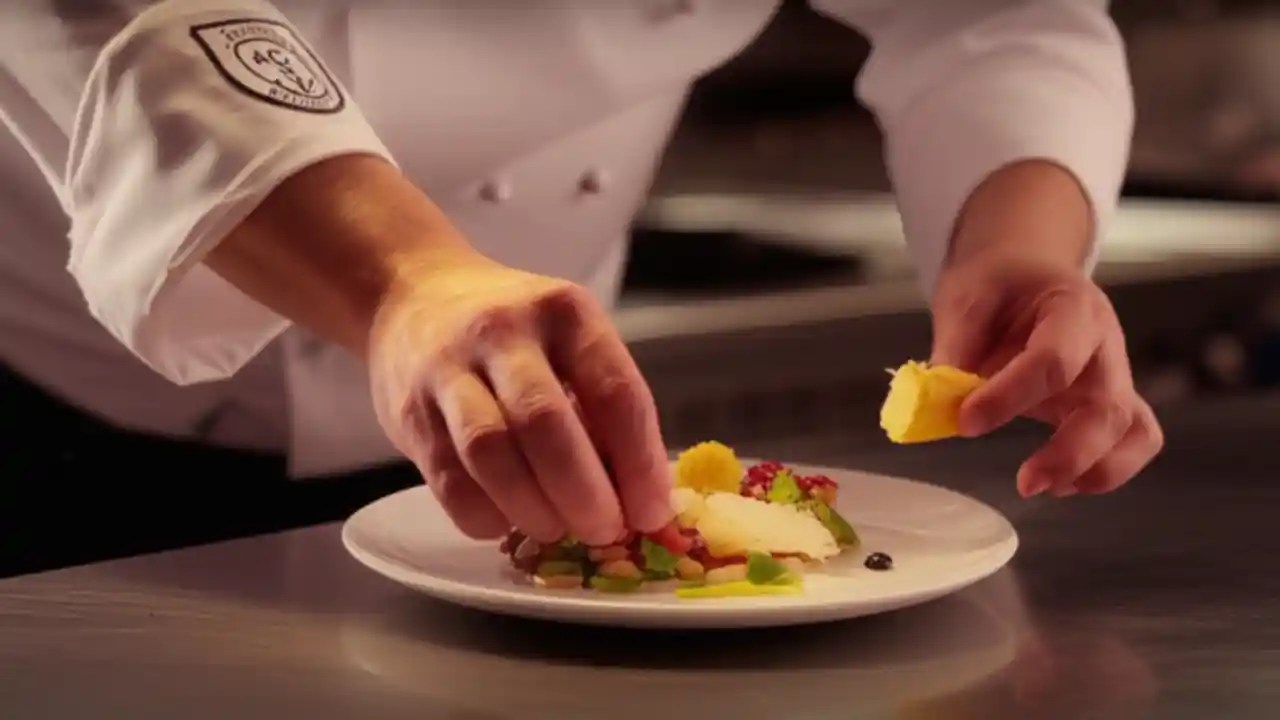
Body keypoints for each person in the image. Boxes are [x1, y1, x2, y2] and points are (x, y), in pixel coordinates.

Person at [0, 0, 1162, 573]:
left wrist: (1014, 245)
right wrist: (406, 278)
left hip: (533, 431)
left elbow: (990, 14)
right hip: (71, 410)